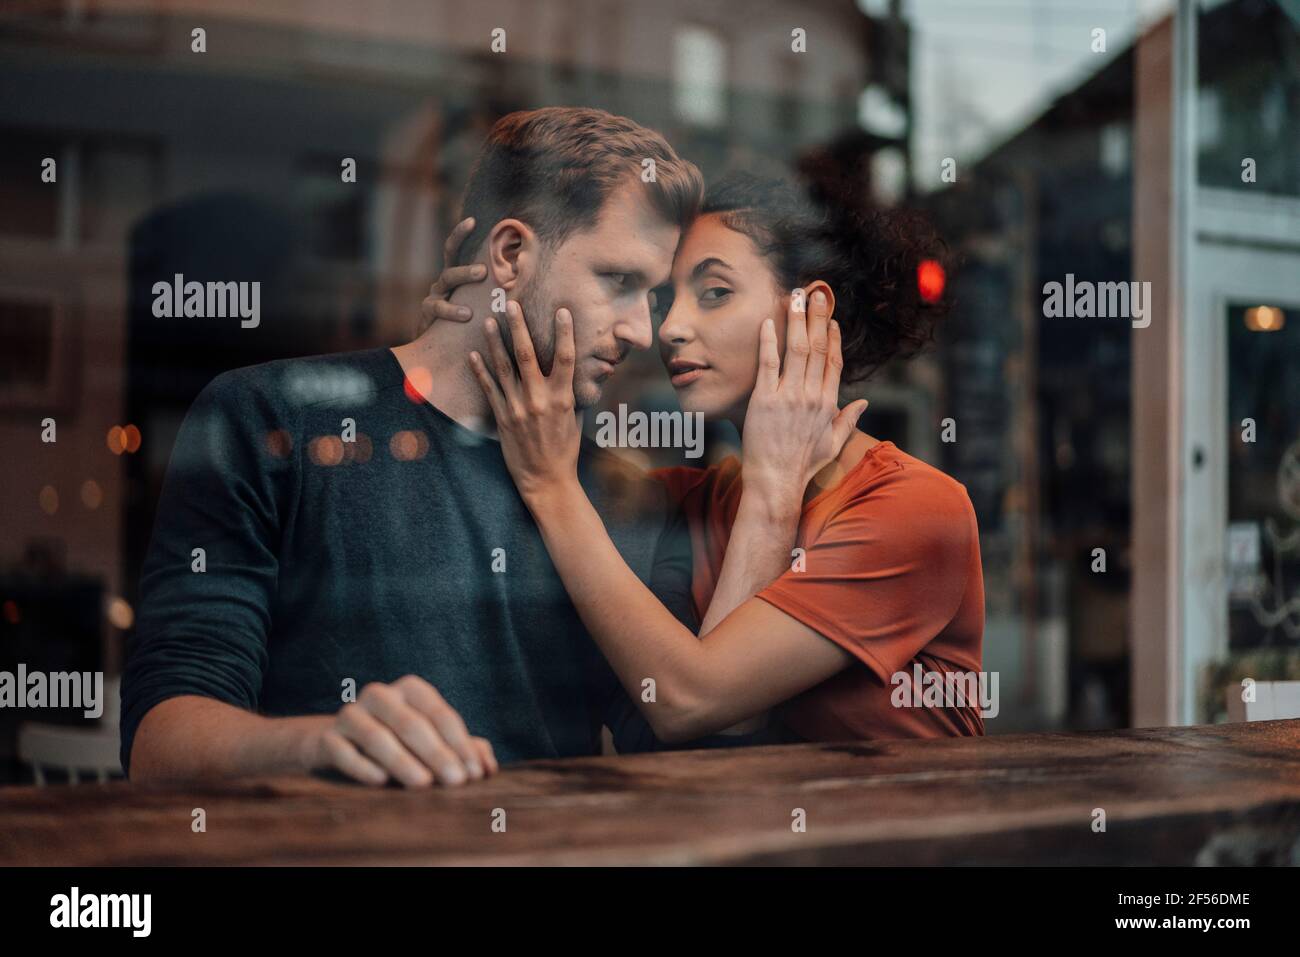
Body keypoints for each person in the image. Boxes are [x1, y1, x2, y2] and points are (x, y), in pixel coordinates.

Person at [122, 108, 766, 789]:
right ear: (511, 254)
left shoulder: (623, 492)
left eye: (654, 295)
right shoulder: (268, 420)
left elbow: (690, 736)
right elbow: (160, 743)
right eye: (619, 281)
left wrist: (772, 490)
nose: (643, 329)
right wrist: (322, 741)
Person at [434, 171, 986, 743]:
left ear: (808, 311)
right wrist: (466, 322)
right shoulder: (692, 500)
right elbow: (715, 732)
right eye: (665, 300)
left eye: (714, 292)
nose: (669, 328)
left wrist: (554, 489)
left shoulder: (915, 510)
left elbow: (693, 702)